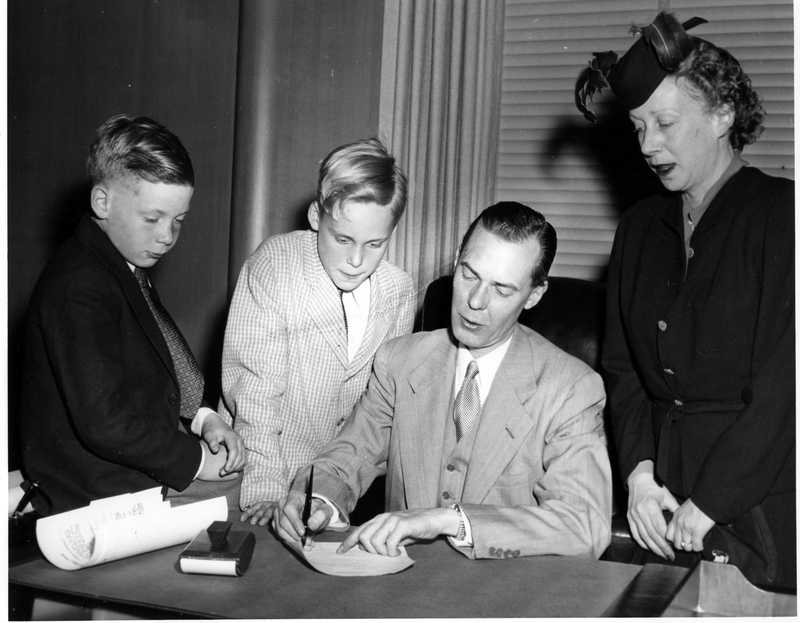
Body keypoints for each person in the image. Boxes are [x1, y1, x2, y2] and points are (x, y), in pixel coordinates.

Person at [578, 12, 795, 588]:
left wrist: (711, 503)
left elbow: (786, 388)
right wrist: (639, 476)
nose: (649, 145)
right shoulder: (637, 228)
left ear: (723, 114)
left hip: (758, 508)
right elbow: (623, 371)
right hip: (657, 507)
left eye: (666, 123)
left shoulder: (783, 215)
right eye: (638, 128)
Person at [274, 202, 612, 559]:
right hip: (402, 581)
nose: (475, 301)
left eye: (501, 290)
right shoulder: (399, 361)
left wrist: (451, 520)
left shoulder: (570, 388)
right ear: (456, 259)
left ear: (535, 294)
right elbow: (348, 457)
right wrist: (318, 500)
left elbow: (584, 526)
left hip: (505, 588)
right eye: (469, 275)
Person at [20, 114, 246, 516]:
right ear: (102, 202)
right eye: (152, 219)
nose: (166, 236)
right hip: (94, 489)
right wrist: (196, 460)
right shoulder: (80, 284)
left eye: (178, 221)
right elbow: (105, 424)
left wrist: (203, 418)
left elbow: (161, 359)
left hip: (126, 467)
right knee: (256, 495)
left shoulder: (120, 261)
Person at [220, 138, 416, 525]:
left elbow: (377, 413)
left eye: (375, 244)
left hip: (331, 494)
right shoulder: (275, 264)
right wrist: (266, 493)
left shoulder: (398, 290)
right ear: (315, 216)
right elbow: (255, 394)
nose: (356, 260)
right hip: (253, 478)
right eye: (342, 239)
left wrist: (327, 494)